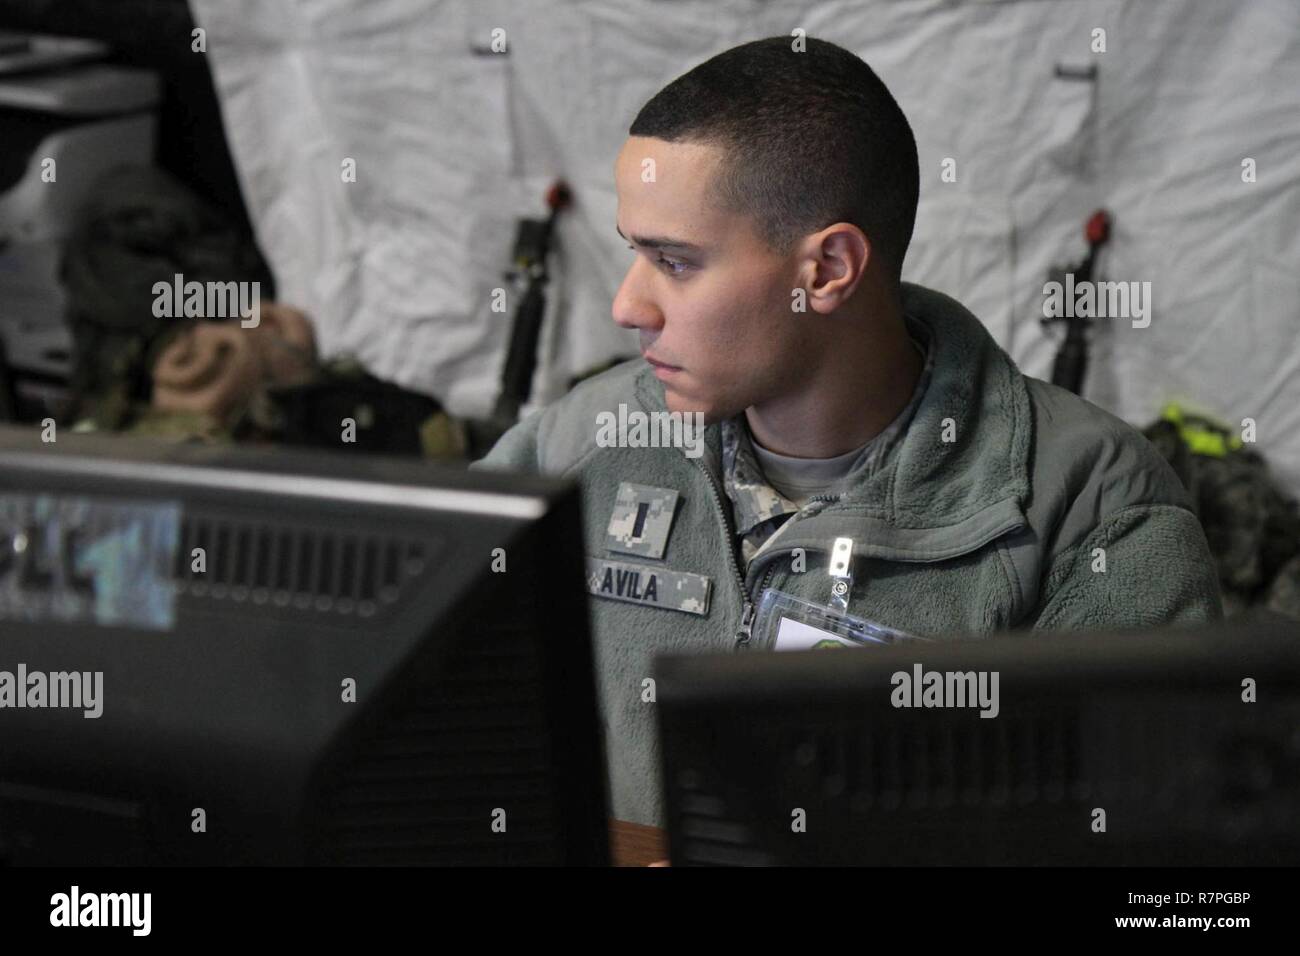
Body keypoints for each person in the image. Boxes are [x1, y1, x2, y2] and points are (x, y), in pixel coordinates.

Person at [472, 36, 1222, 828]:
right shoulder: (585, 442)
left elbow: (1159, 872)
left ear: (828, 269)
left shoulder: (1092, 513)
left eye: (676, 261)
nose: (627, 305)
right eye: (634, 251)